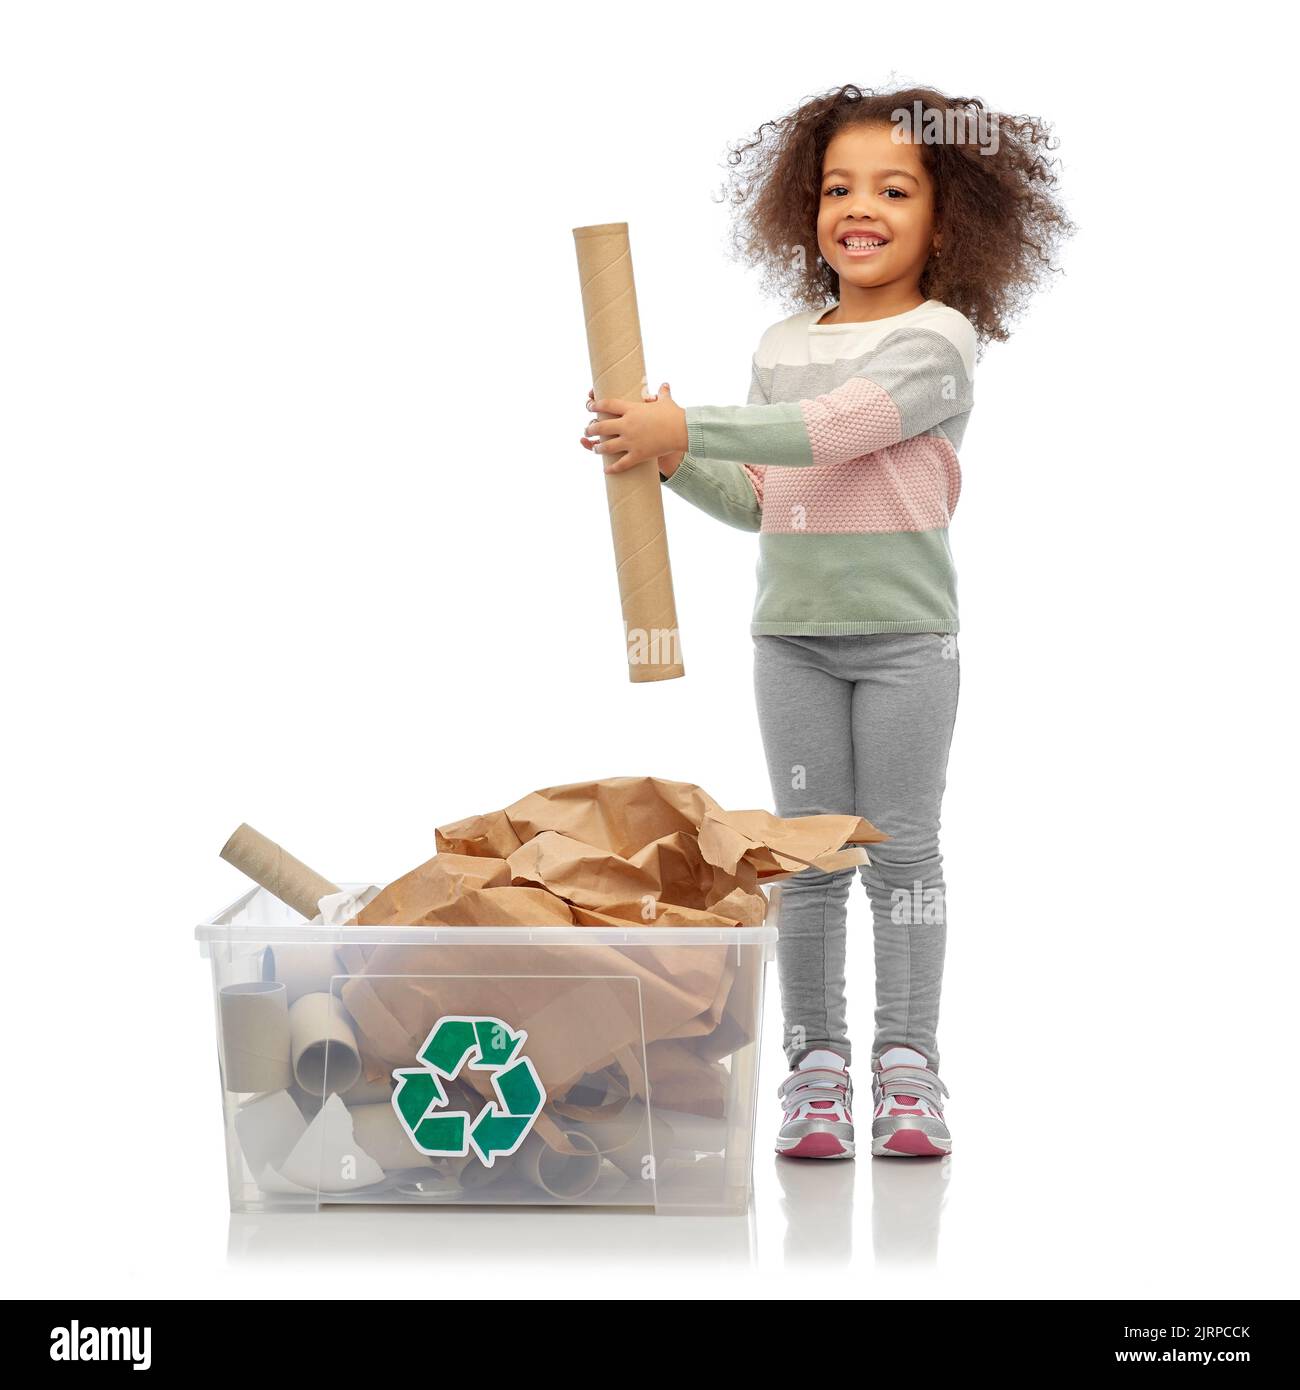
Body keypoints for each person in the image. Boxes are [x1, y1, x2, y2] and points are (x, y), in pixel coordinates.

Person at [580, 84, 1073, 1159]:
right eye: (839, 187)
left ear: (947, 220)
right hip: (790, 642)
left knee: (899, 854)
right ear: (805, 207)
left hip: (905, 647)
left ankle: (907, 1066)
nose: (862, 206)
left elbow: (834, 432)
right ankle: (815, 1067)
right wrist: (669, 459)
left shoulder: (939, 342)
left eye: (895, 189)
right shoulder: (781, 342)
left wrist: (687, 419)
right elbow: (763, 491)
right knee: (805, 858)